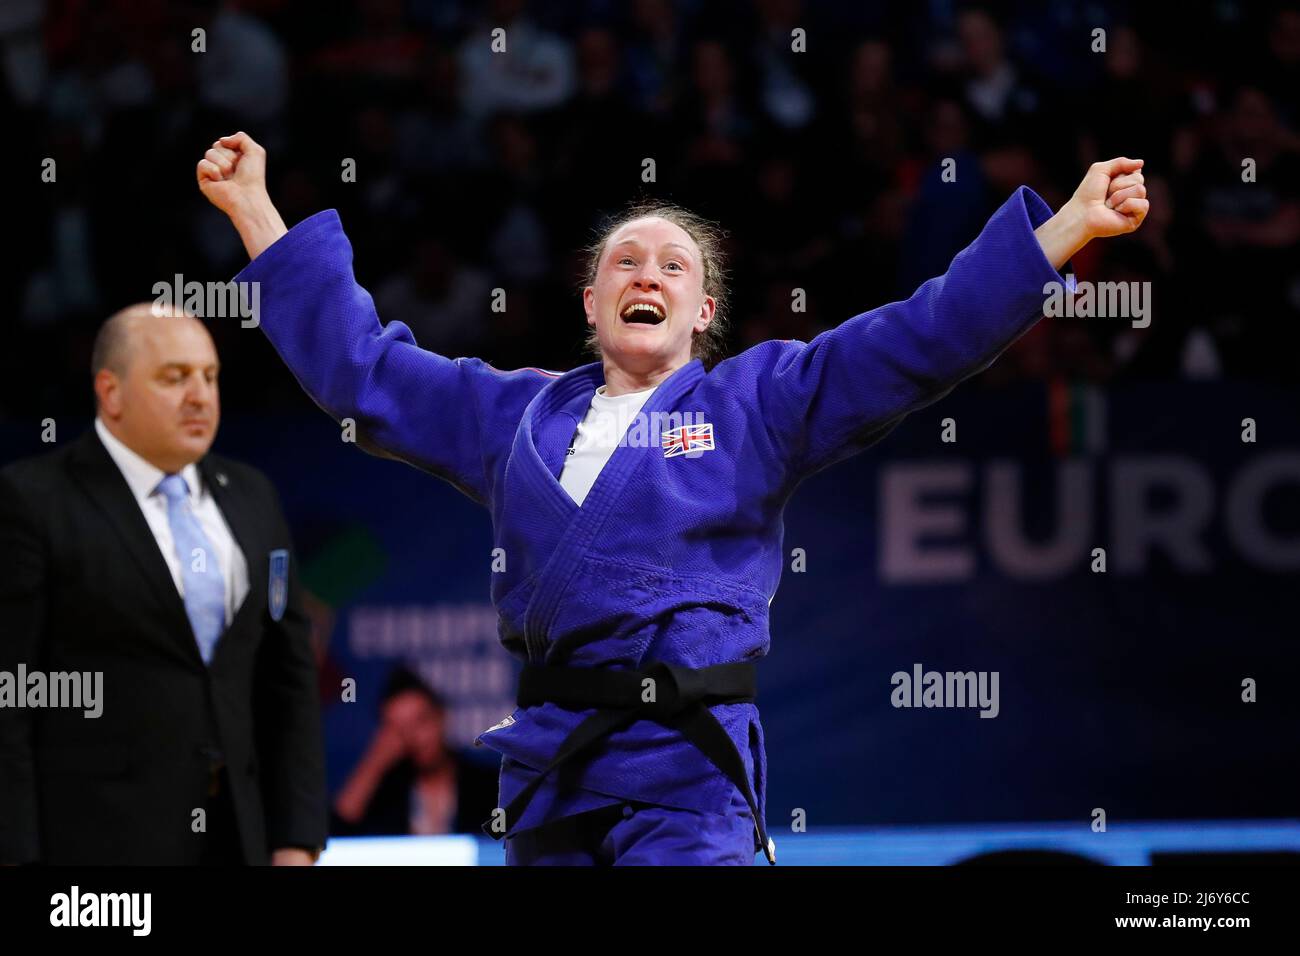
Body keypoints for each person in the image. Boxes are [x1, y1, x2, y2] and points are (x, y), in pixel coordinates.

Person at [197, 131, 1148, 865]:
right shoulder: (511, 415)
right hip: (551, 773)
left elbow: (921, 336)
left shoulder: (762, 401)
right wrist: (254, 212)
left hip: (690, 774)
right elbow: (365, 373)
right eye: (623, 261)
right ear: (590, 303)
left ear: (703, 314)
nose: (645, 271)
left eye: (673, 266)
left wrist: (1064, 228)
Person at [0, 304, 328, 865]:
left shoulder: (253, 497)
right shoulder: (33, 501)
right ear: (112, 392)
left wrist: (296, 840)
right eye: (174, 378)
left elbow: (289, 679)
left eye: (209, 376)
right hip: (92, 855)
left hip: (239, 841)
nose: (200, 395)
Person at [331, 667, 501, 836]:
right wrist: (376, 761)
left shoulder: (488, 786)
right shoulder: (386, 795)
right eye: (399, 729)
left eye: (421, 721)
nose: (414, 737)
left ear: (441, 716)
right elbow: (339, 829)